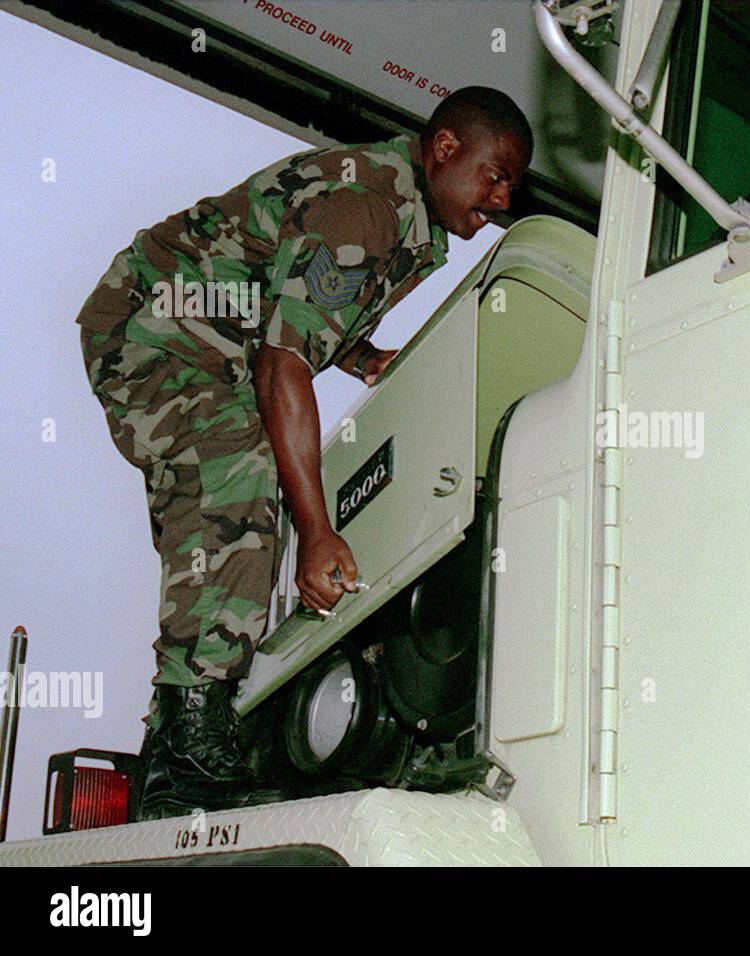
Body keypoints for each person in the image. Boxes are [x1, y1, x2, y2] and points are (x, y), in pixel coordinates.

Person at [75, 86, 531, 819]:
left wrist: (359, 357)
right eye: (496, 173)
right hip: (152, 326)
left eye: (512, 183)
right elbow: (283, 364)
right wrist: (317, 532)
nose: (503, 197)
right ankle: (192, 742)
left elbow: (293, 298)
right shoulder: (371, 209)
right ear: (445, 149)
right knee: (240, 471)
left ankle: (177, 752)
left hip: (204, 338)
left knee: (241, 489)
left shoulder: (404, 211)